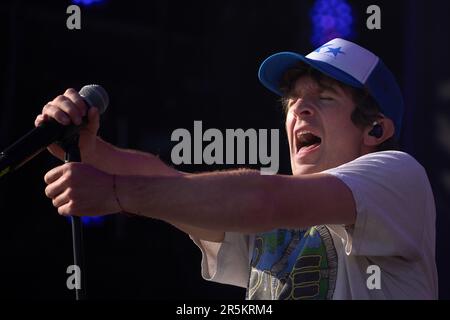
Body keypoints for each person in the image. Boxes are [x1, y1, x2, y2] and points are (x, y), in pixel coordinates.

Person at [35, 38, 438, 299]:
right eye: (293, 100)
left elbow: (260, 199)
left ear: (375, 127)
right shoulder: (271, 211)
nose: (299, 108)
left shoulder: (397, 175)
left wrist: (115, 192)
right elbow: (173, 185)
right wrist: (88, 148)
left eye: (325, 97)